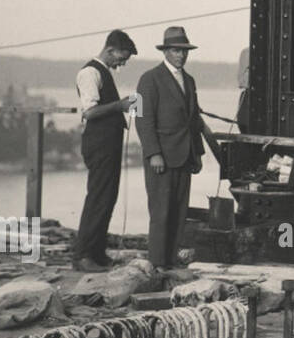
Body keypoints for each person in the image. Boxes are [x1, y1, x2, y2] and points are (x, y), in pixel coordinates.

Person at [135, 26, 223, 272]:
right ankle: (157, 263)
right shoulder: (149, 79)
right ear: (165, 51)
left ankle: (171, 260)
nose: (181, 56)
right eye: (176, 51)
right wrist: (153, 153)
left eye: (184, 51)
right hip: (161, 157)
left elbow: (193, 121)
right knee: (161, 211)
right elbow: (143, 120)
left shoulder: (190, 80)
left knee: (179, 211)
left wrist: (198, 154)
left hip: (184, 156)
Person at [73, 30, 139, 271]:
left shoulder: (104, 72)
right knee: (98, 197)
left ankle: (97, 253)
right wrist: (120, 105)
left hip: (108, 143)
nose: (123, 63)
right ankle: (83, 256)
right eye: (122, 58)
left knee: (107, 197)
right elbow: (89, 112)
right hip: (99, 143)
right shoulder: (89, 73)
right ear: (110, 50)